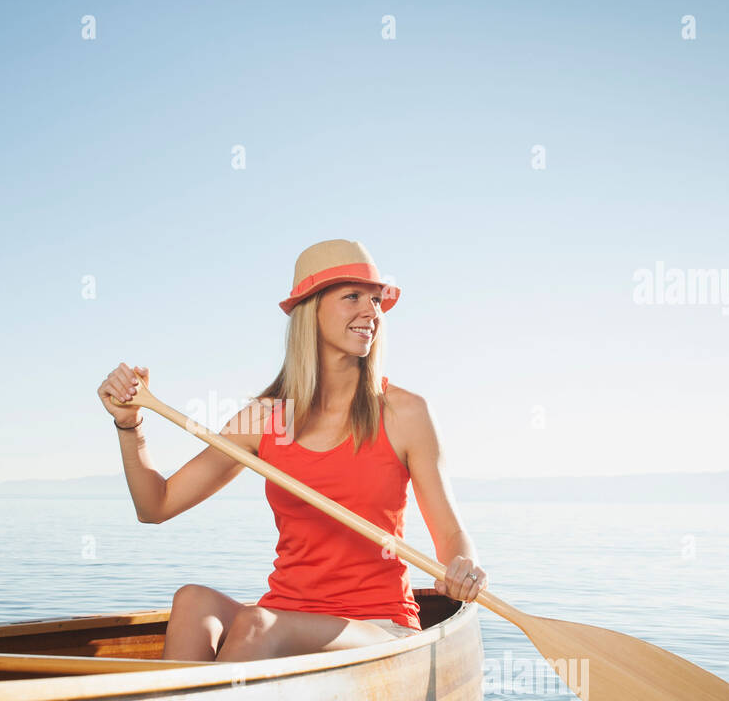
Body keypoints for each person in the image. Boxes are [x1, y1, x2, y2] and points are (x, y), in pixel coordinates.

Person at [96, 238, 488, 662]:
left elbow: (449, 533)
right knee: (192, 601)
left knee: (258, 625)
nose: (371, 312)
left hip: (378, 627)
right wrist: (129, 424)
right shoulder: (267, 419)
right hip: (280, 620)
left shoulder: (403, 413)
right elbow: (156, 506)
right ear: (311, 310)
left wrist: (463, 564)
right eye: (352, 297)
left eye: (376, 300)